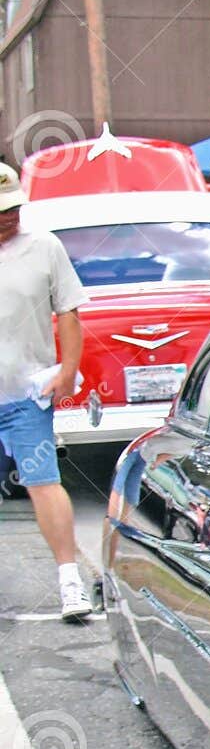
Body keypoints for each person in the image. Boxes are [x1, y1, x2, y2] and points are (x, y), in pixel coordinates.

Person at [0, 162, 92, 621]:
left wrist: (69, 371)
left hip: (25, 396)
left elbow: (69, 314)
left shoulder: (44, 247)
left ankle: (70, 580)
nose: (7, 218)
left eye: (12, 208)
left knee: (43, 483)